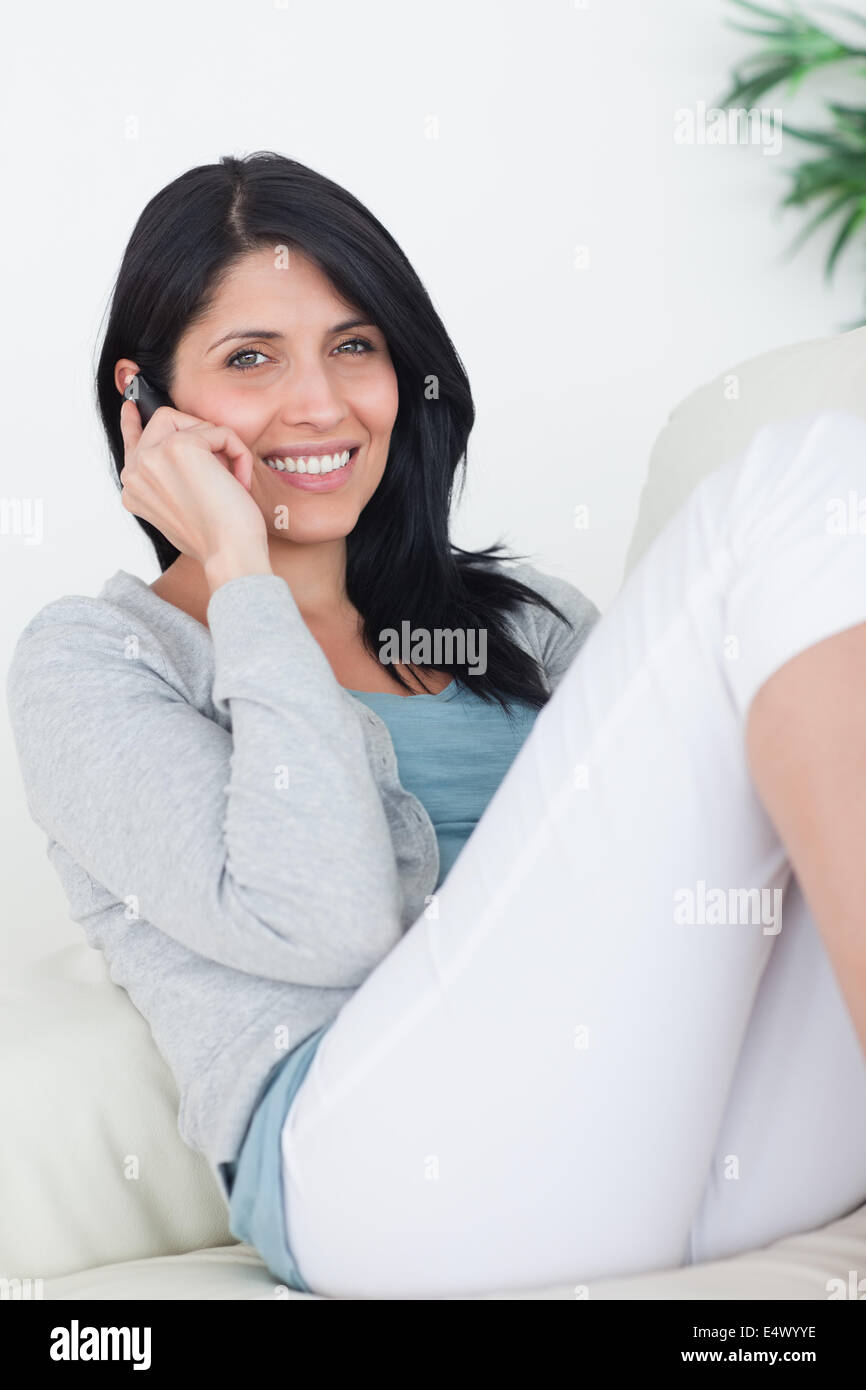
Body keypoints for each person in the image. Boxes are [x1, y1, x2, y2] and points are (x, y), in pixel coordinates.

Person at [7, 152, 866, 1302]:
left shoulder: (523, 623)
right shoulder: (94, 661)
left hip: (682, 1150)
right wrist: (244, 577)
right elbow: (328, 928)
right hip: (391, 1185)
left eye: (353, 346)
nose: (319, 404)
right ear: (143, 402)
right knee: (783, 483)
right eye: (250, 358)